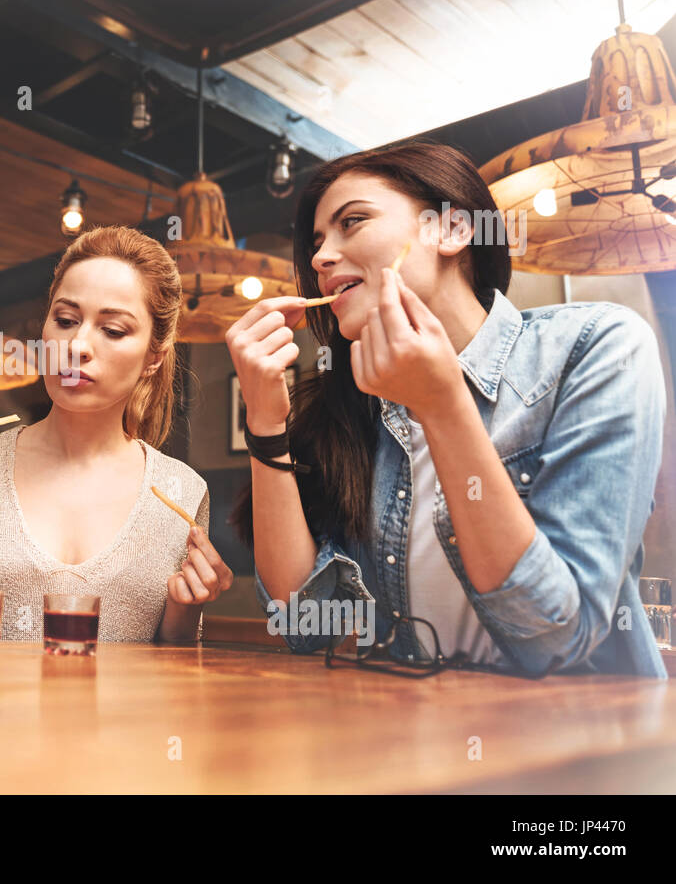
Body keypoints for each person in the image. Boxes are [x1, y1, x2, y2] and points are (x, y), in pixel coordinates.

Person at [228, 141, 666, 677]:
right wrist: (265, 425)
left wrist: (441, 404)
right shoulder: (352, 407)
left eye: (353, 222)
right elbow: (305, 626)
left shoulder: (596, 348)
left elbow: (555, 636)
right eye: (317, 242)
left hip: (580, 746)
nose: (319, 257)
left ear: (453, 230)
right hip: (412, 745)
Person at [0, 226, 232, 643]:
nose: (78, 345)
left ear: (153, 359)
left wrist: (186, 606)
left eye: (113, 330)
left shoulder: (181, 491)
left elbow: (172, 671)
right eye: (65, 320)